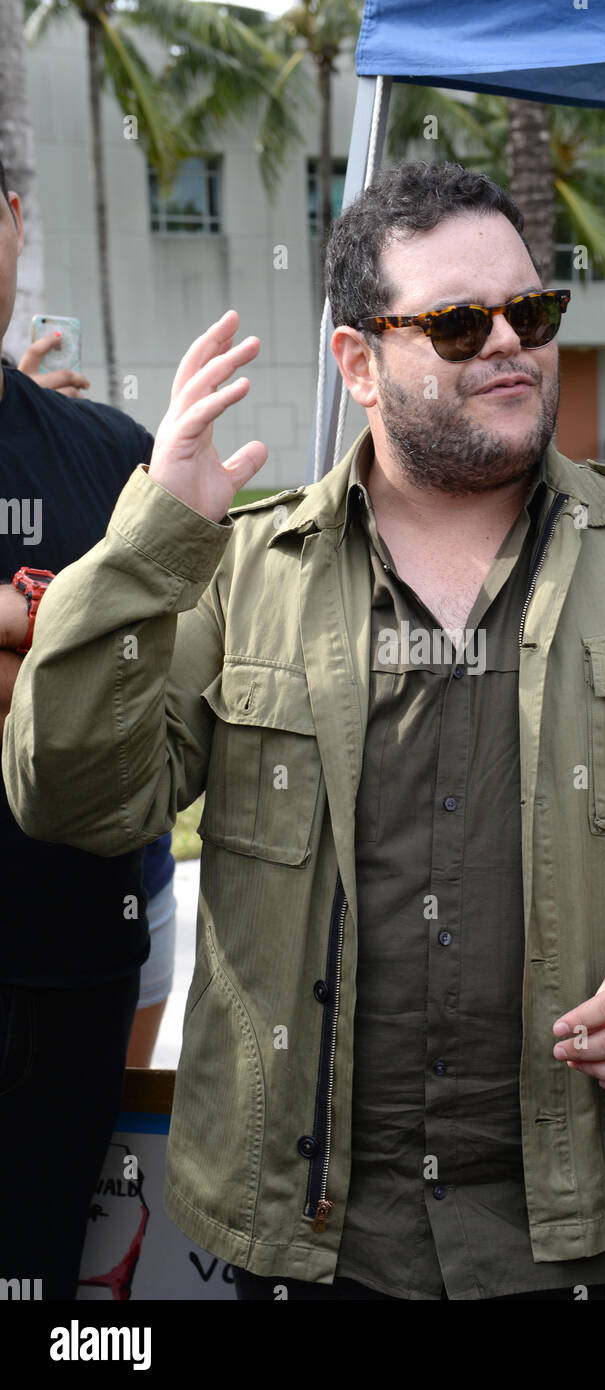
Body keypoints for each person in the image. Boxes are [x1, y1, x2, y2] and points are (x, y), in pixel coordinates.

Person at [4, 161, 605, 1301]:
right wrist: (151, 549)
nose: (509, 341)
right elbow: (79, 801)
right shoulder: (239, 572)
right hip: (326, 1248)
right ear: (357, 361)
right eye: (456, 321)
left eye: (531, 310)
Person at [0, 151, 153, 1299]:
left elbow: (153, 699)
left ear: (13, 222)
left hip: (65, 963)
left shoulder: (108, 457)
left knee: (42, 1270)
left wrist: (42, 649)